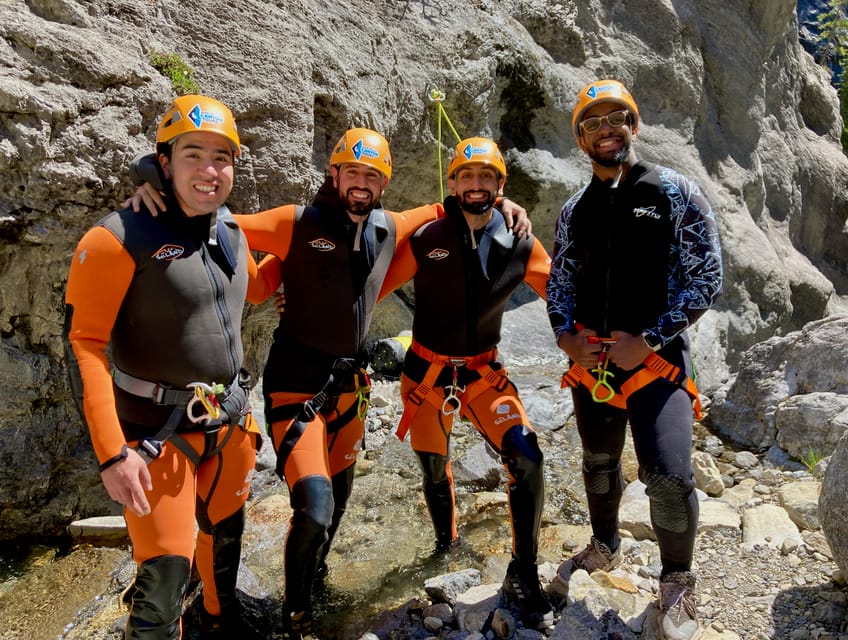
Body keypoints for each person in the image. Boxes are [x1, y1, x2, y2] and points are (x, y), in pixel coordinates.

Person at [130, 127, 530, 639]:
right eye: (353, 172)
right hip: (295, 390)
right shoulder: (296, 222)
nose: (362, 183)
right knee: (314, 508)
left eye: (372, 175)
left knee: (336, 505)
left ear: (384, 183)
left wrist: (503, 203)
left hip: (349, 392)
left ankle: (312, 583)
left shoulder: (389, 226)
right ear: (334, 174)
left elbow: (454, 204)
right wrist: (153, 176)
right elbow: (214, 213)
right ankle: (294, 619)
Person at [63, 95, 264, 639]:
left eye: (221, 157)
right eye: (192, 154)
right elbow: (84, 346)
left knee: (224, 545)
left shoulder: (231, 231)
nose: (209, 170)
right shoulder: (118, 238)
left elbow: (251, 285)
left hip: (229, 424)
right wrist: (113, 455)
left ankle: (218, 623)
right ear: (164, 162)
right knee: (163, 577)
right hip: (156, 435)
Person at [546, 79, 723, 640]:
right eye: (593, 123)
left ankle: (677, 582)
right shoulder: (575, 209)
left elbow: (706, 278)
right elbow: (560, 282)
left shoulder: (674, 191)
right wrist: (565, 337)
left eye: (617, 118)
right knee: (599, 463)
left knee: (668, 477)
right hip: (592, 364)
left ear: (634, 125)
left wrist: (646, 340)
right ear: (580, 138)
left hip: (656, 362)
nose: (607, 130)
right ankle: (604, 545)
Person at [378, 137, 555, 631]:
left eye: (486, 177)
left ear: (500, 185)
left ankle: (523, 572)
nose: (476, 185)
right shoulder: (427, 236)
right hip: (425, 377)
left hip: (482, 376)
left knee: (528, 457)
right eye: (466, 177)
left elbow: (564, 296)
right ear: (452, 183)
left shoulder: (521, 242)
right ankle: (447, 547)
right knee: (435, 471)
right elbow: (373, 289)